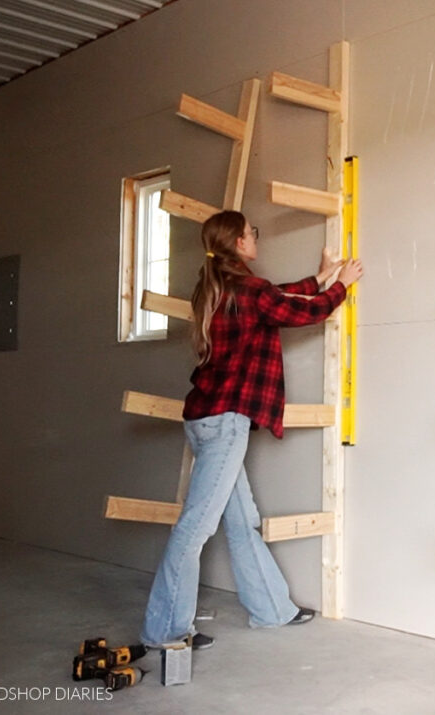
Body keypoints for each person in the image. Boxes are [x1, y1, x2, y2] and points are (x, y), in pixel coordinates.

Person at [141, 209, 363, 649]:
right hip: (225, 423)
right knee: (194, 529)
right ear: (239, 244)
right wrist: (340, 285)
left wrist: (317, 278)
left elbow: (276, 297)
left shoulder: (214, 289)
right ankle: (163, 631)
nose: (255, 238)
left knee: (242, 520)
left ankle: (272, 610)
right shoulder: (246, 289)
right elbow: (302, 313)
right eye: (251, 233)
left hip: (203, 418)